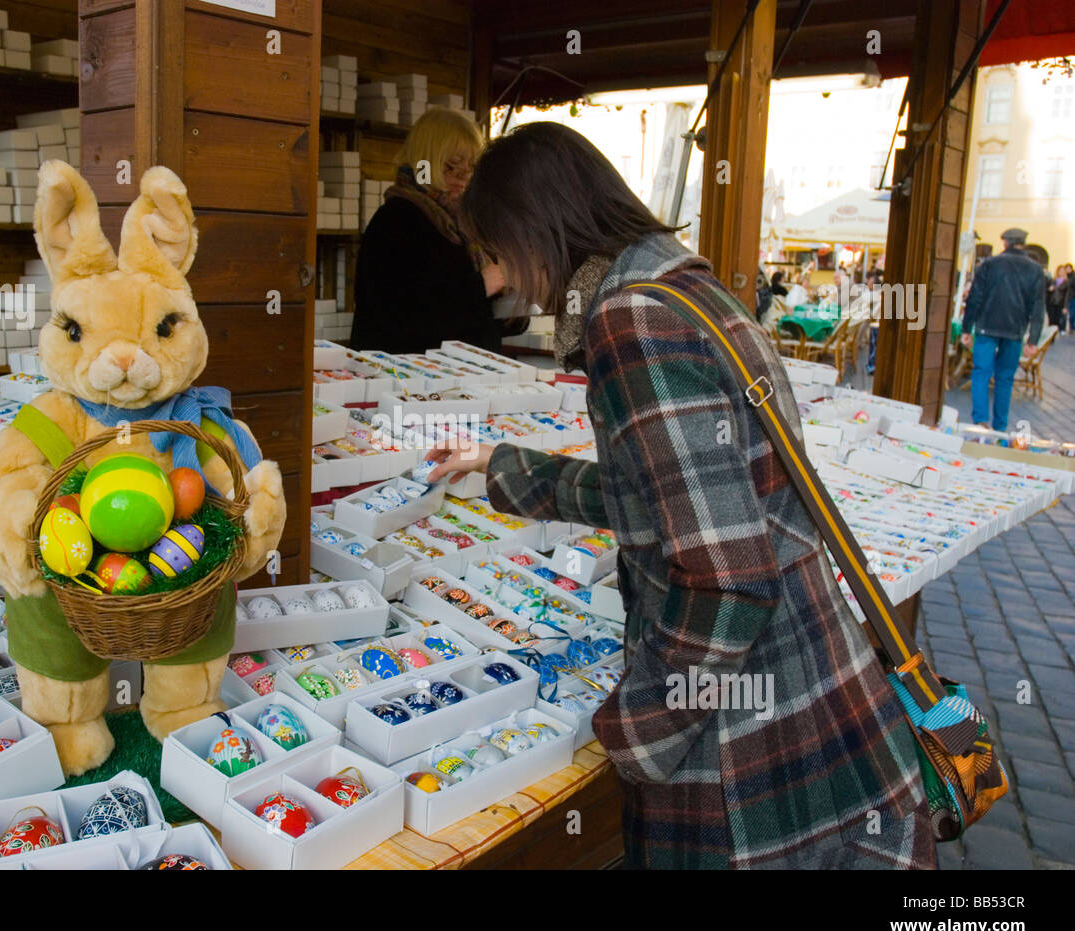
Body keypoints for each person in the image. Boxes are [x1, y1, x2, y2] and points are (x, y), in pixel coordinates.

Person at [428, 121, 934, 869]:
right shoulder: (683, 287)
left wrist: (640, 729)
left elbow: (728, 579)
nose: (496, 283)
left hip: (751, 750)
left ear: (545, 232)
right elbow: (669, 503)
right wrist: (498, 466)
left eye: (498, 255)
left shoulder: (631, 322)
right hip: (809, 700)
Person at [349, 109, 507, 353]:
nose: (462, 178)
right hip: (410, 380)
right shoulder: (397, 220)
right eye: (451, 166)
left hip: (460, 377)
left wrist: (513, 306)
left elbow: (474, 317)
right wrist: (481, 286)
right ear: (426, 162)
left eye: (470, 168)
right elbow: (403, 320)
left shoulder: (463, 223)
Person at [961, 227, 1047, 431]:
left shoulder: (990, 264)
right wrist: (1033, 340)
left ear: (1005, 243)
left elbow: (974, 298)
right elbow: (1038, 307)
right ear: (1022, 243)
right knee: (1005, 379)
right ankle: (1000, 426)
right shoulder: (1035, 270)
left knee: (981, 372)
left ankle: (981, 421)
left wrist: (967, 328)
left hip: (986, 327)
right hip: (1015, 329)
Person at [1047, 263, 1072, 334]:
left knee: (1058, 319)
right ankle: (1050, 334)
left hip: (1060, 303)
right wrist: (1049, 290)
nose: (1061, 272)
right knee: (1051, 319)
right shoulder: (1053, 280)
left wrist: (1065, 306)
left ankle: (1056, 332)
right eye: (1060, 271)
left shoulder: (1066, 282)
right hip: (1051, 302)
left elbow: (1067, 295)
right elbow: (1047, 291)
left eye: (1062, 271)